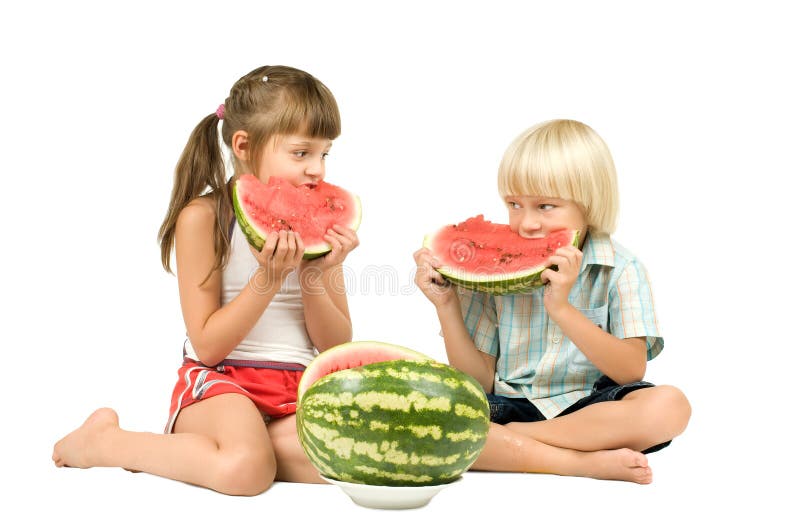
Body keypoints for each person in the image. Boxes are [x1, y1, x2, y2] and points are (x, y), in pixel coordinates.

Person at [52, 65, 358, 495]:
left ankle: (219, 448)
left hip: (296, 388)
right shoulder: (203, 218)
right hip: (221, 383)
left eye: (325, 154)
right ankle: (106, 442)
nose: (317, 170)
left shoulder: (319, 229)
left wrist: (313, 276)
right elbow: (209, 345)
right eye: (301, 153)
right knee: (247, 473)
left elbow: (335, 346)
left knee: (352, 460)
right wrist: (268, 279)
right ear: (244, 145)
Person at [414, 119, 691, 484]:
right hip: (507, 405)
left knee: (670, 407)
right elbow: (476, 381)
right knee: (428, 420)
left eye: (545, 206)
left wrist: (562, 308)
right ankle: (583, 463)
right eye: (514, 204)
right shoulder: (489, 273)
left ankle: (514, 445)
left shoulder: (621, 269)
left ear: (589, 205)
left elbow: (630, 371)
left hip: (590, 410)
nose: (526, 223)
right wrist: (446, 305)